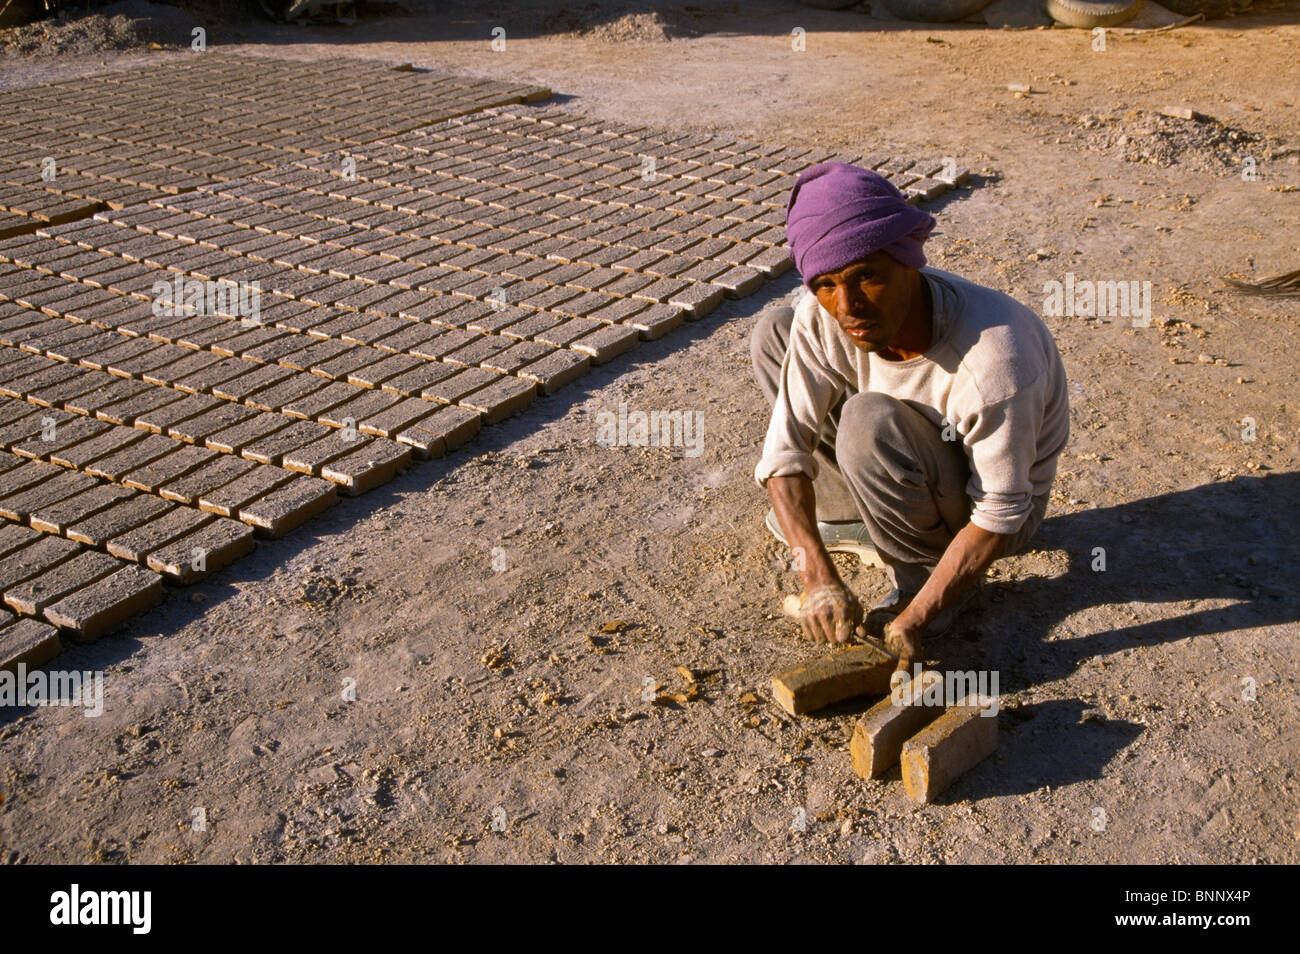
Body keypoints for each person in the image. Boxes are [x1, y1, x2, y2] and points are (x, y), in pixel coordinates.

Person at [751, 162, 1070, 670]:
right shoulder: (824, 315)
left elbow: (1001, 514)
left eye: (867, 278)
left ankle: (923, 574)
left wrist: (919, 614)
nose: (847, 305)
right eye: (826, 284)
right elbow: (784, 452)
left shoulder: (995, 361)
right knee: (776, 331)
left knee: (866, 421)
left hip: (993, 510)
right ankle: (853, 520)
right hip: (906, 460)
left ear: (910, 262)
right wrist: (815, 573)